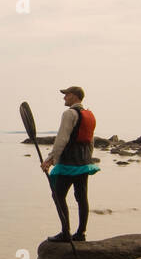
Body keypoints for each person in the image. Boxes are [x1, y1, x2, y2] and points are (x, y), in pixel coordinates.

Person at [41, 86, 99, 242]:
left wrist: (50, 159)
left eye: (66, 95)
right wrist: (87, 159)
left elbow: (62, 138)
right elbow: (91, 142)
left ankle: (65, 232)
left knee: (58, 196)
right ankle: (81, 233)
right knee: (81, 197)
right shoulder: (89, 115)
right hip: (84, 163)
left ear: (74, 96)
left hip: (68, 164)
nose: (64, 97)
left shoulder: (69, 114)